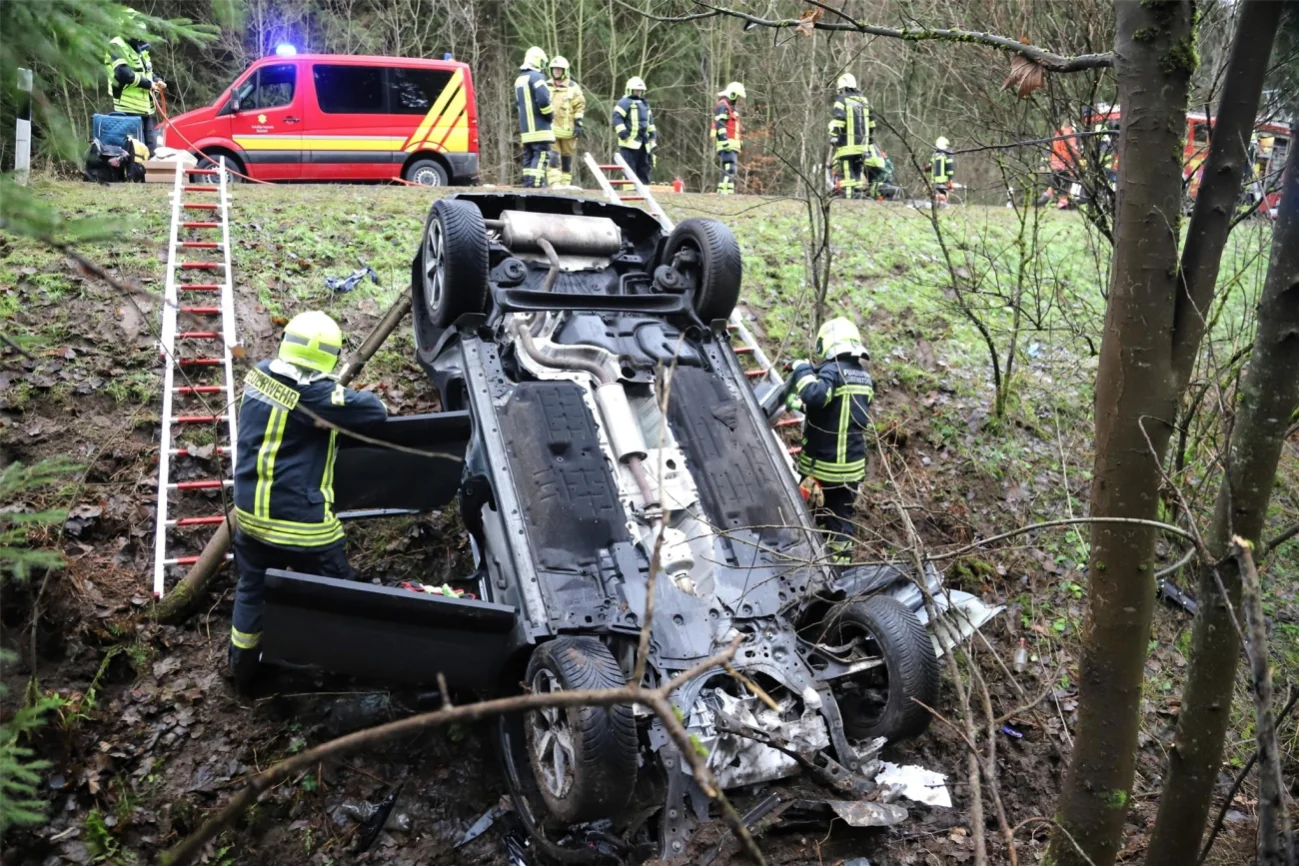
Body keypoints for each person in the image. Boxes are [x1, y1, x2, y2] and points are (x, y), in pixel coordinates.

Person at [227, 311, 388, 692]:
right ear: (329, 359)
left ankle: (243, 671)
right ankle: (346, 668)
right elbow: (374, 412)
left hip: (249, 518)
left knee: (251, 589)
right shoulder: (318, 397)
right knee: (340, 592)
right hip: (299, 524)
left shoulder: (259, 375)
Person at [788, 318, 874, 566]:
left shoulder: (833, 370)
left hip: (823, 468)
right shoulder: (863, 376)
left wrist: (802, 369)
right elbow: (837, 414)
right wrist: (801, 406)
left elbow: (816, 396)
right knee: (840, 521)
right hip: (852, 469)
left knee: (807, 514)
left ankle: (804, 563)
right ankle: (839, 569)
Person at [104, 12, 162, 156]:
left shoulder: (140, 48)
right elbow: (124, 74)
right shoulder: (116, 46)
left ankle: (150, 177)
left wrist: (157, 80)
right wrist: (149, 85)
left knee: (151, 147)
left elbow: (146, 71)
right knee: (133, 150)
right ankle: (132, 177)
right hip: (127, 109)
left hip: (146, 109)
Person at [514, 46, 554, 188]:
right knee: (541, 156)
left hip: (526, 130)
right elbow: (543, 100)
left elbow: (517, 104)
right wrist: (550, 116)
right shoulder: (537, 77)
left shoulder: (519, 79)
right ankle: (536, 186)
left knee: (529, 157)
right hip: (540, 128)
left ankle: (528, 184)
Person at [828, 73, 873, 199]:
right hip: (862, 146)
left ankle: (849, 199)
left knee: (848, 175)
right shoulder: (864, 100)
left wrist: (833, 135)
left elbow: (839, 119)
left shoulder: (842, 100)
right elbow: (871, 123)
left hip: (847, 146)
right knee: (858, 174)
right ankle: (858, 198)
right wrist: (869, 142)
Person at [546, 56, 586, 188]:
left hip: (569, 131)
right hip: (551, 130)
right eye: (554, 69)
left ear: (565, 71)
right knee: (553, 157)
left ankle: (565, 183)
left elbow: (579, 106)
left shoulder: (573, 88)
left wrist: (579, 122)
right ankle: (555, 183)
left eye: (559, 69)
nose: (556, 71)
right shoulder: (546, 86)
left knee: (567, 158)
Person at [613, 77, 656, 184]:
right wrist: (622, 132)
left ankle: (644, 188)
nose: (638, 92)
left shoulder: (645, 104)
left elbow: (649, 121)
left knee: (644, 166)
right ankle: (629, 188)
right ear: (629, 90)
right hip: (628, 142)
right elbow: (617, 118)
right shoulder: (624, 103)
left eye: (640, 91)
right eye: (636, 90)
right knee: (629, 167)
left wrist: (653, 134)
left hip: (643, 142)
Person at [712, 81, 745, 194]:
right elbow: (720, 124)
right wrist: (724, 140)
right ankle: (723, 192)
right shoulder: (723, 106)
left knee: (728, 168)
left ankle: (727, 191)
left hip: (732, 145)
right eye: (738, 97)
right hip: (727, 144)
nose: (739, 100)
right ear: (733, 95)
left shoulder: (732, 110)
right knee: (730, 169)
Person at [930, 136, 955, 204]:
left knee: (936, 195)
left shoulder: (933, 155)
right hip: (943, 180)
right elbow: (949, 169)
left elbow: (929, 168)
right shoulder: (947, 155)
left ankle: (936, 204)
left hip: (934, 181)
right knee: (943, 195)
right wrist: (950, 179)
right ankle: (943, 204)